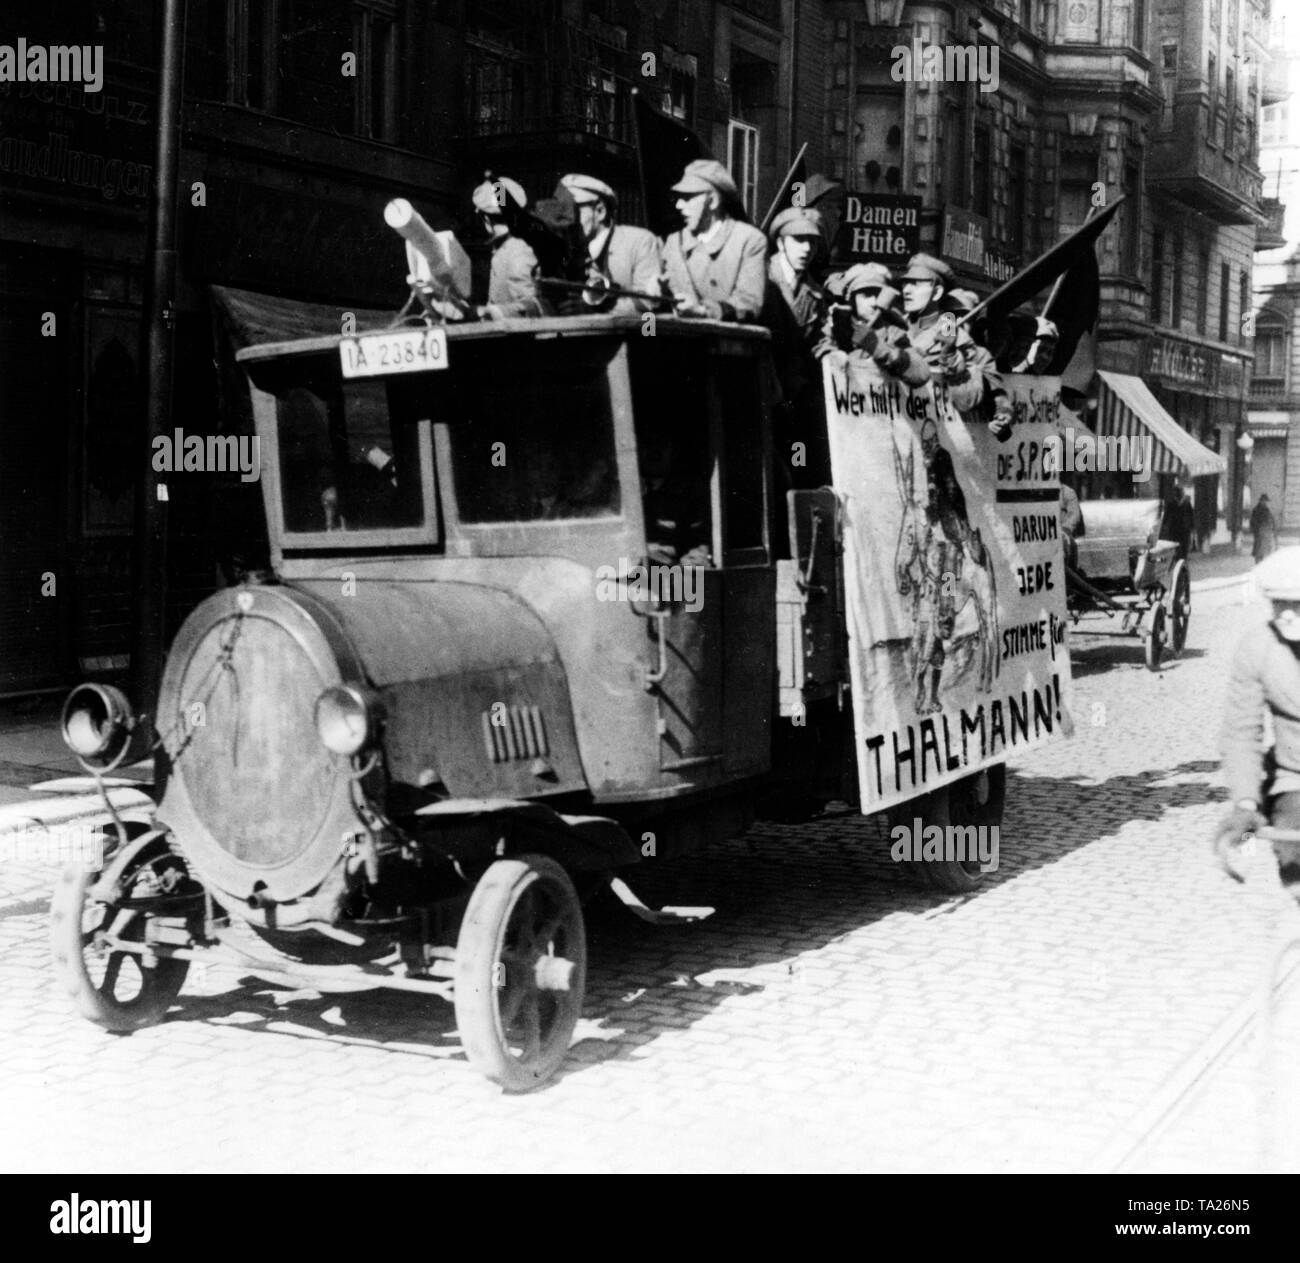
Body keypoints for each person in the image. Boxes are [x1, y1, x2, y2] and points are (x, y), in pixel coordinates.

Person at [1215, 546, 1300, 881]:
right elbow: (1241, 731)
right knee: (1294, 865)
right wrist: (1246, 804)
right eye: (1280, 603)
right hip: (1295, 778)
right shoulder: (1258, 647)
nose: (1288, 615)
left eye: (1299, 604)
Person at [661, 159, 768, 323]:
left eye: (688, 197)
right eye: (679, 197)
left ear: (714, 201)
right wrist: (656, 291)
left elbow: (749, 304)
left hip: (726, 345)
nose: (679, 205)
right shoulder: (674, 242)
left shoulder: (749, 240)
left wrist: (704, 311)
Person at [897, 254, 995, 418]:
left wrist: (950, 355)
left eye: (915, 284)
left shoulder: (959, 338)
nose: (906, 290)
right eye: (906, 283)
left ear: (936, 292)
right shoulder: (894, 327)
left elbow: (966, 402)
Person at [559, 173, 662, 314]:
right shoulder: (569, 250)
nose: (568, 219)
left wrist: (594, 309)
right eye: (562, 211)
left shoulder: (640, 242)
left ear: (600, 211)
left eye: (574, 211)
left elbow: (649, 305)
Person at [814, 262, 928, 387]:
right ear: (851, 298)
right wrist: (833, 356)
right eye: (866, 295)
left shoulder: (893, 332)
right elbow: (819, 352)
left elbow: (921, 374)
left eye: (878, 294)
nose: (874, 302)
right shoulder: (836, 326)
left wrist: (878, 347)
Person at [470, 175, 549, 319]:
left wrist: (491, 313)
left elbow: (531, 306)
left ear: (486, 219)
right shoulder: (507, 245)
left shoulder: (518, 248)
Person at [1161, 480, 1195, 563]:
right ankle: (1180, 556)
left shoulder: (1176, 502)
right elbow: (1191, 515)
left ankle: (1181, 557)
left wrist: (1164, 524)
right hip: (1179, 527)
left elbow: (1190, 514)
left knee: (1182, 543)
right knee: (1180, 542)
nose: (1180, 493)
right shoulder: (1180, 502)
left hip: (1178, 527)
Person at [1059, 478, 1084, 571]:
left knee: (1070, 545)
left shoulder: (1067, 492)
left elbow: (1074, 515)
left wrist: (1065, 529)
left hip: (1063, 533)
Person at [1251, 492, 1278, 562]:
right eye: (1264, 501)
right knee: (1259, 549)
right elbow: (1253, 521)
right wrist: (1256, 530)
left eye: (1266, 501)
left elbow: (1271, 520)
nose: (1265, 502)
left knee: (1264, 549)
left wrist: (1273, 529)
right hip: (1260, 532)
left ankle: (1261, 563)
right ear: (1261, 501)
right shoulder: (1257, 510)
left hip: (1266, 532)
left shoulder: (1266, 509)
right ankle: (1258, 563)